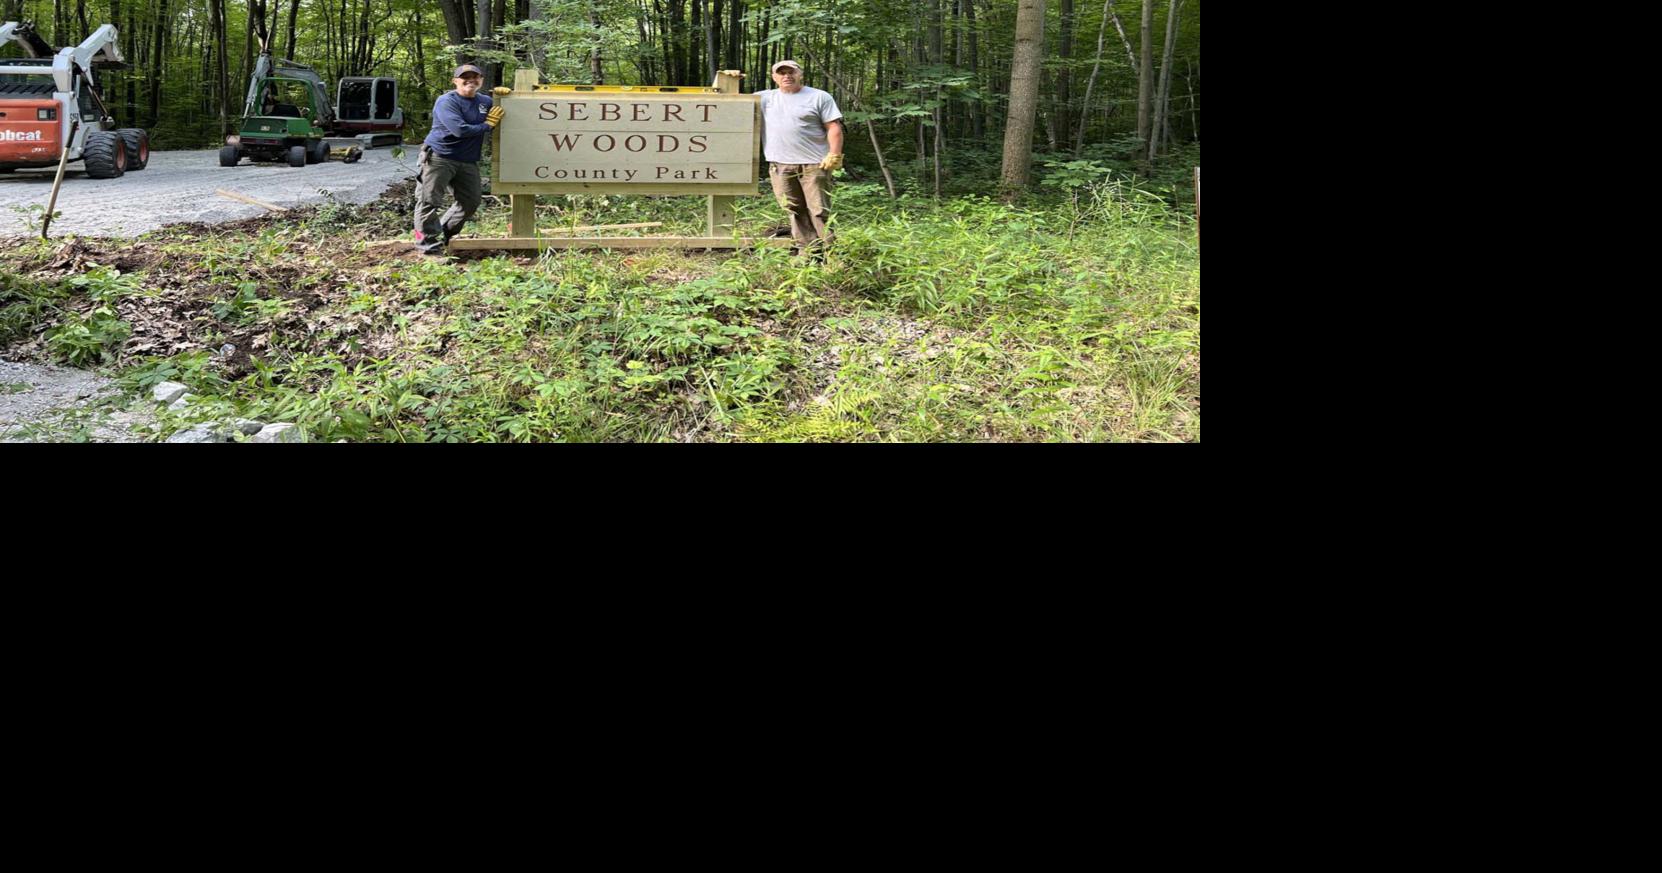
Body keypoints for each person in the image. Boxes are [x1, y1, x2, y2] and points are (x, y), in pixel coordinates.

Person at [414, 64, 505, 256]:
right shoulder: (447, 101)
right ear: (455, 81)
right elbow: (459, 130)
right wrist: (487, 125)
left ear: (481, 80)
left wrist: (505, 96)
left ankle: (443, 235)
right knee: (428, 202)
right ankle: (427, 248)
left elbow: (505, 110)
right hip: (439, 157)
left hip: (467, 160)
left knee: (470, 201)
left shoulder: (485, 101)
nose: (470, 80)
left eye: (475, 77)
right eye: (465, 77)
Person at [756, 59, 843, 256]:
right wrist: (727, 78)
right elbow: (731, 100)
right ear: (774, 77)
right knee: (794, 209)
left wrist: (834, 154)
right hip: (780, 165)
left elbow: (834, 127)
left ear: (800, 74)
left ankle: (832, 254)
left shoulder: (819, 97)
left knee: (819, 210)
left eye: (791, 72)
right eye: (781, 72)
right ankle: (808, 252)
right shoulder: (763, 98)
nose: (787, 76)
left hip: (815, 164)